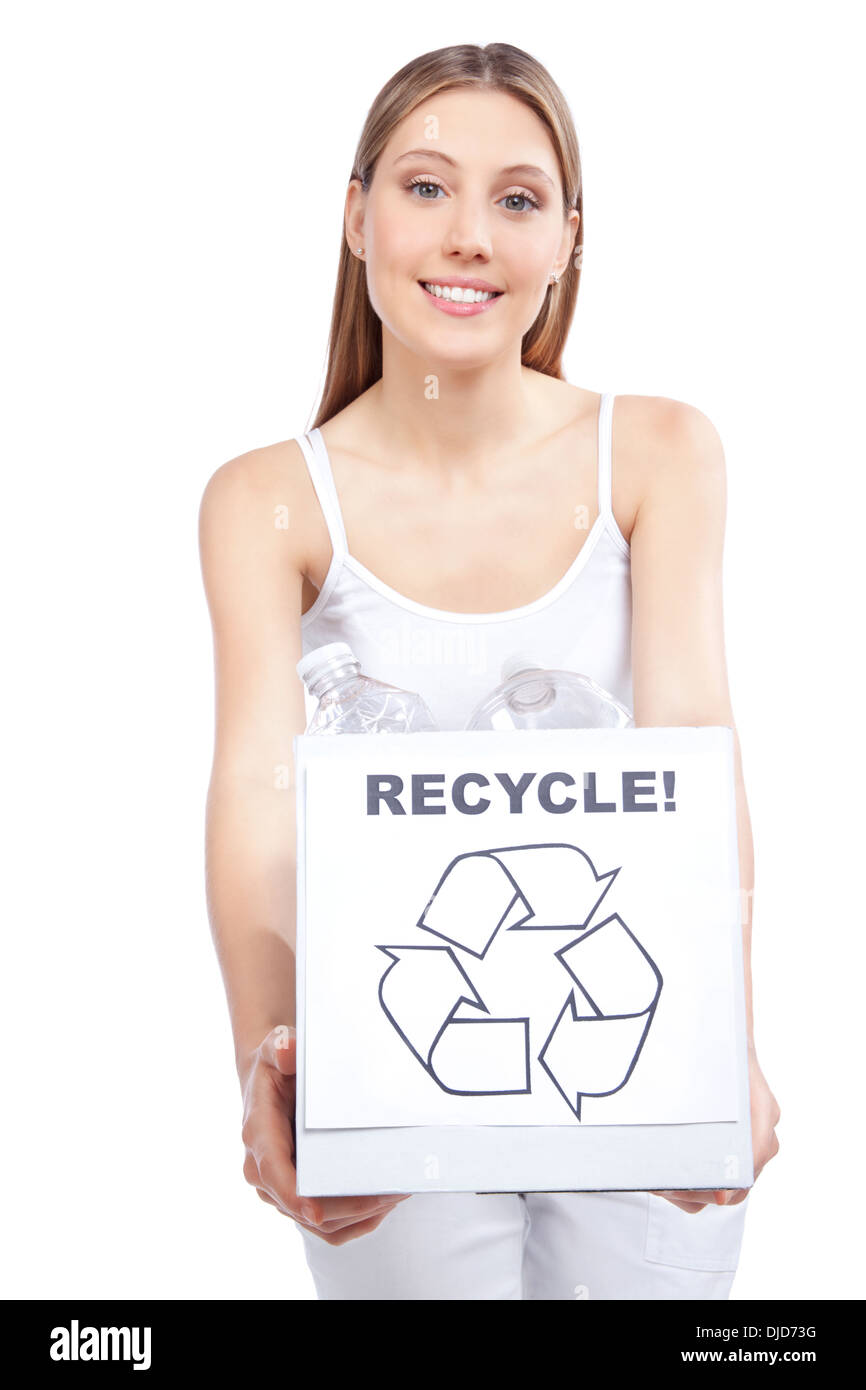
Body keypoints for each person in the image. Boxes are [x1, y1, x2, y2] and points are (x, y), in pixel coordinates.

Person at [198, 42, 781, 1300]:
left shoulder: (660, 453)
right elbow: (253, 795)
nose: (469, 235)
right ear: (355, 214)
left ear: (568, 238)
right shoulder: (266, 501)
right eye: (424, 187)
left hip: (620, 1019)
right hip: (394, 1039)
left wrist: (719, 1040)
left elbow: (696, 739)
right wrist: (265, 1061)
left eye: (515, 199)